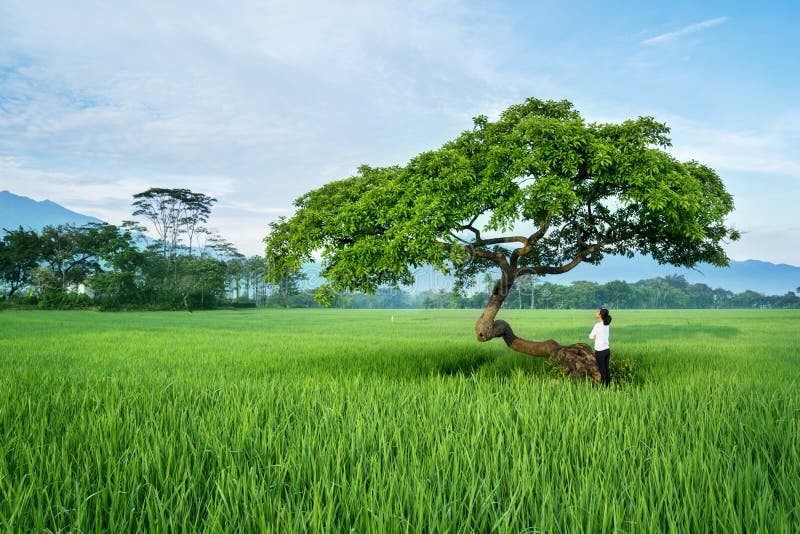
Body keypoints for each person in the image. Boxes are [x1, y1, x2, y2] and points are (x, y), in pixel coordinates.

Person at [589, 307, 612, 385]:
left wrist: (595, 336)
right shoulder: (607, 324)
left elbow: (591, 336)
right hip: (607, 350)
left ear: (600, 315)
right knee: (606, 369)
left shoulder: (598, 325)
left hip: (600, 351)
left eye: (597, 312)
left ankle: (604, 389)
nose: (596, 313)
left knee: (602, 371)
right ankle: (608, 386)